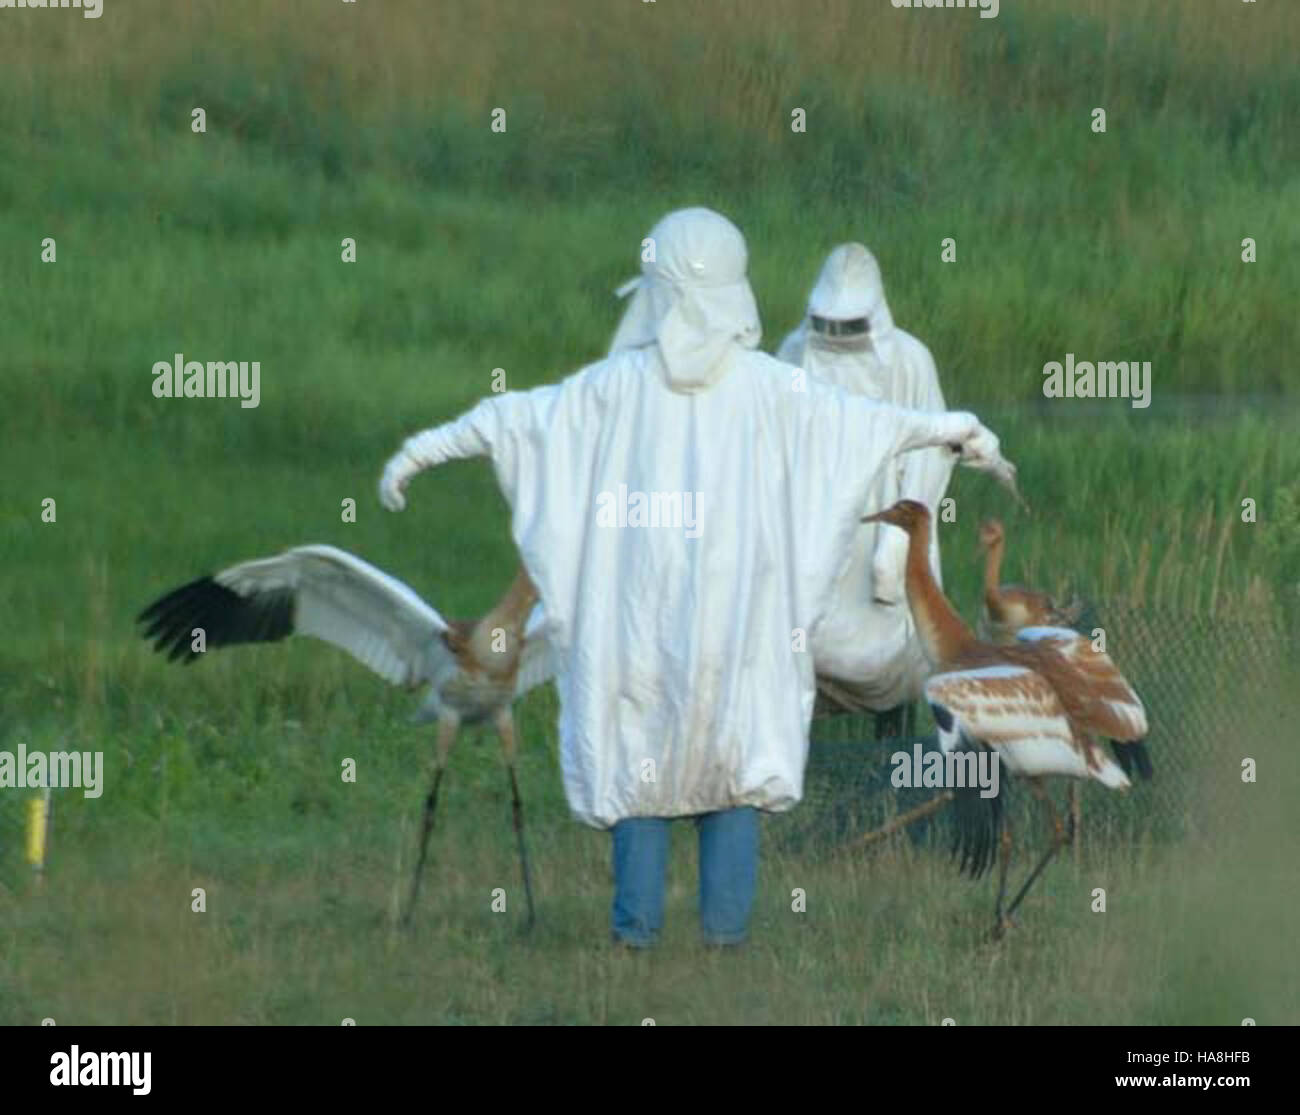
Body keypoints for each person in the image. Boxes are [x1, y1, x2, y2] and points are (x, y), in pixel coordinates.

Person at [379, 208, 1013, 947]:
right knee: (730, 765)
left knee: (646, 769)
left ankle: (638, 937)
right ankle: (721, 939)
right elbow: (864, 422)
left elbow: (515, 419)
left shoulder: (616, 389)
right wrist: (953, 428)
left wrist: (423, 451)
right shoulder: (765, 386)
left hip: (642, 635)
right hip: (735, 637)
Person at [776, 243, 953, 722]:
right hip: (819, 530)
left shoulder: (910, 361)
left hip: (884, 527)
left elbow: (933, 450)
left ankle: (889, 747)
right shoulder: (793, 355)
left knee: (889, 651)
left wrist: (895, 548)